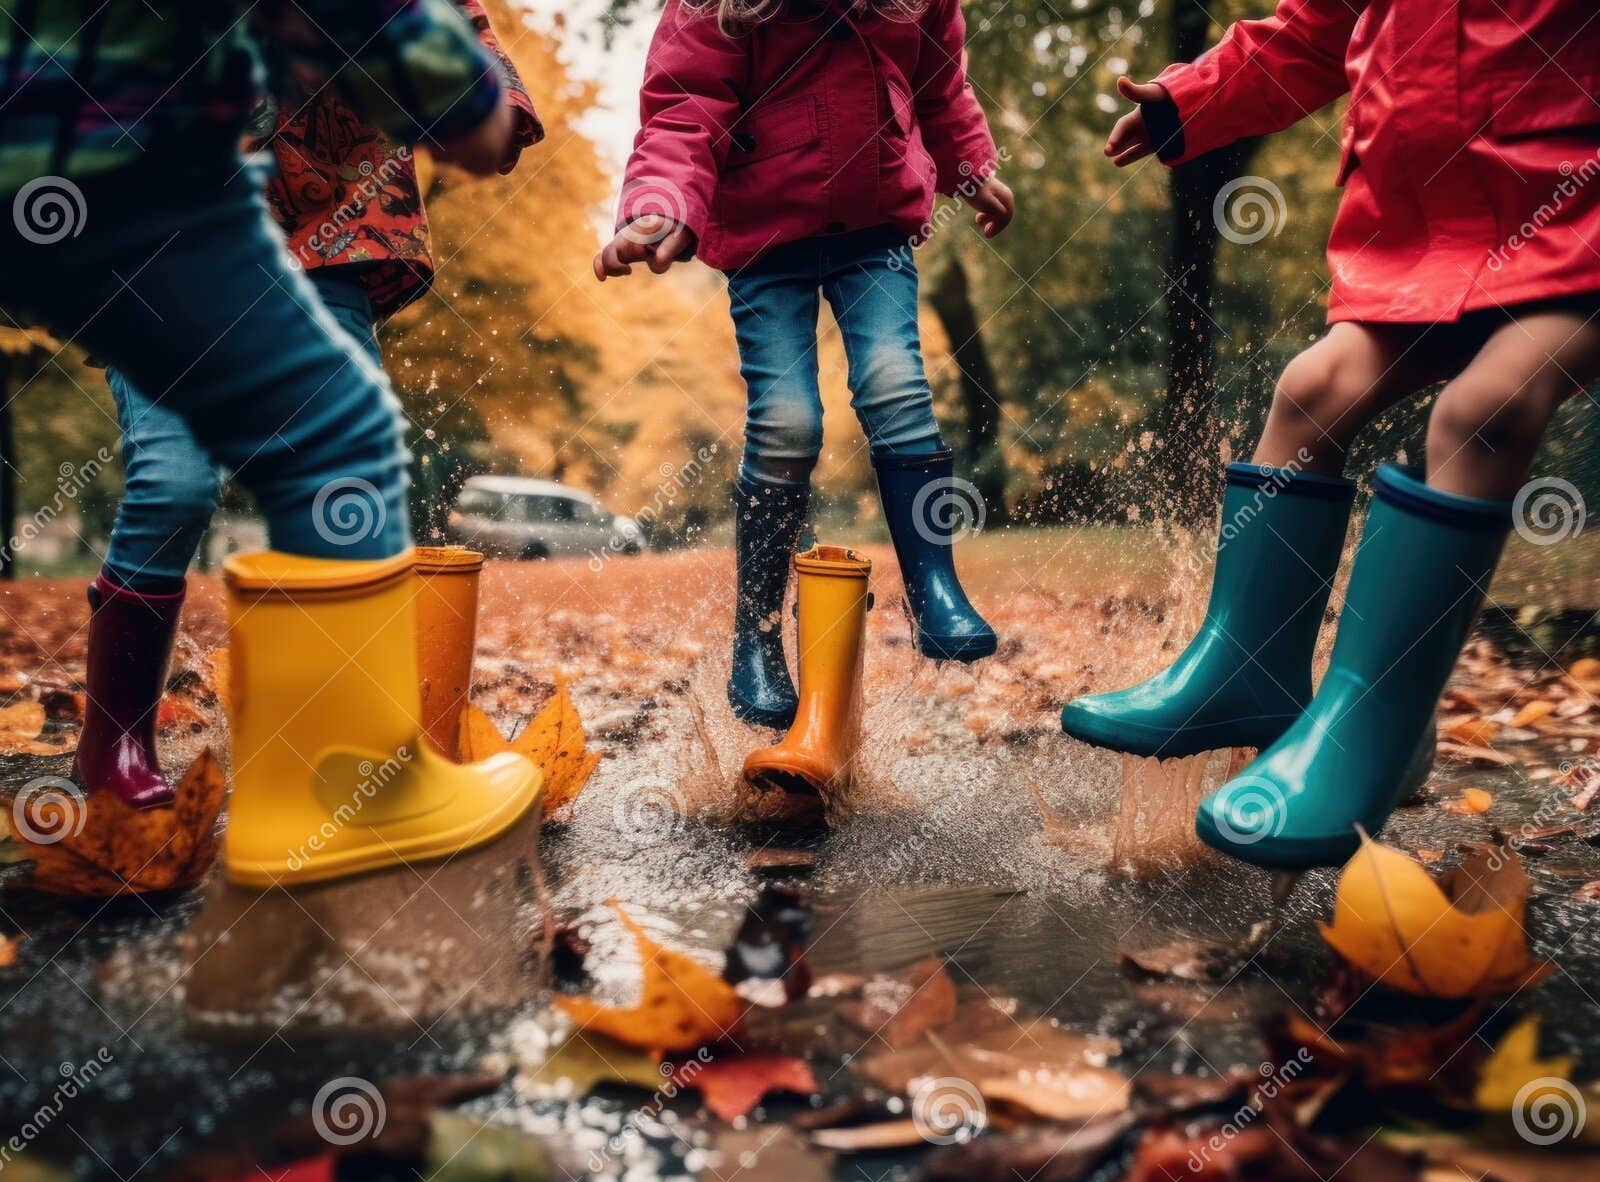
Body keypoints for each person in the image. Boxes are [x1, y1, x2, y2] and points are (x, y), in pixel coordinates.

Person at [1, 1, 542, 885]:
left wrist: (492, 93)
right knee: (175, 484)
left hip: (320, 232)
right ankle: (114, 757)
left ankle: (341, 773)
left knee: (344, 474)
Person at [1060, 0, 1600, 869]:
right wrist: (1190, 98)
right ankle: (1246, 669)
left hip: (1576, 226)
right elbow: (1313, 33)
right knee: (1311, 390)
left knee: (1482, 410)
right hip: (1426, 233)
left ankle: (1368, 725)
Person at [594, 0, 1016, 728]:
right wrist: (660, 201)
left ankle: (933, 589)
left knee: (896, 385)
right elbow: (683, 111)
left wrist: (971, 167)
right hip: (765, 242)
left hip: (875, 230)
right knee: (787, 423)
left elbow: (940, 84)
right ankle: (755, 640)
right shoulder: (719, 7)